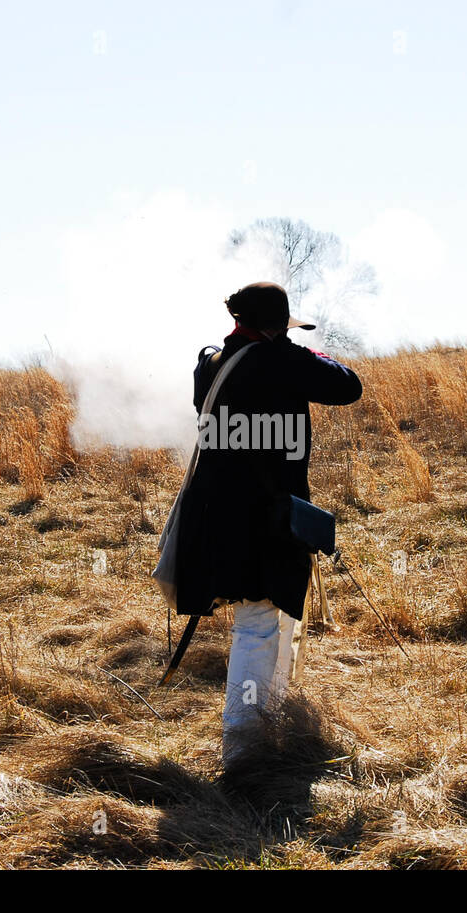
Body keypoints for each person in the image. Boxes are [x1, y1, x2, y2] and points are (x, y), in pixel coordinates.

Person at [171, 281, 363, 764]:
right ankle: (244, 746)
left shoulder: (210, 363)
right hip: (266, 517)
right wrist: (294, 348)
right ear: (276, 328)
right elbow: (347, 385)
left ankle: (266, 726)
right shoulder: (281, 361)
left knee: (273, 616)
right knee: (260, 621)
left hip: (218, 512)